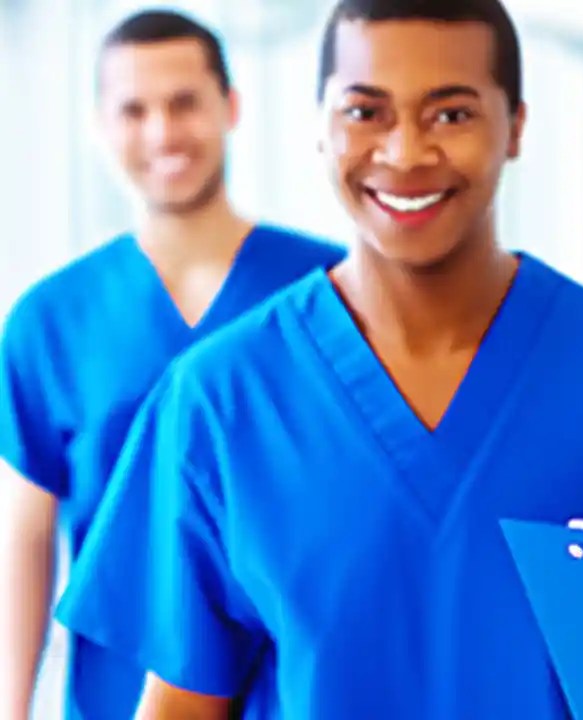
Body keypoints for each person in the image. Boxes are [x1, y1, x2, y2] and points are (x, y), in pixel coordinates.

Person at [54, 0, 583, 717]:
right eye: (366, 113)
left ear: (515, 126)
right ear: (320, 128)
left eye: (451, 115)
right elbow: (184, 702)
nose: (405, 153)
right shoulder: (221, 400)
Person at [0, 10, 345, 719]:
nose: (162, 133)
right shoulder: (50, 319)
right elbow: (29, 534)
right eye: (134, 110)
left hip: (293, 691)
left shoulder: (330, 295)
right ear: (100, 124)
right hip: (117, 693)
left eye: (184, 103)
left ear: (231, 107)